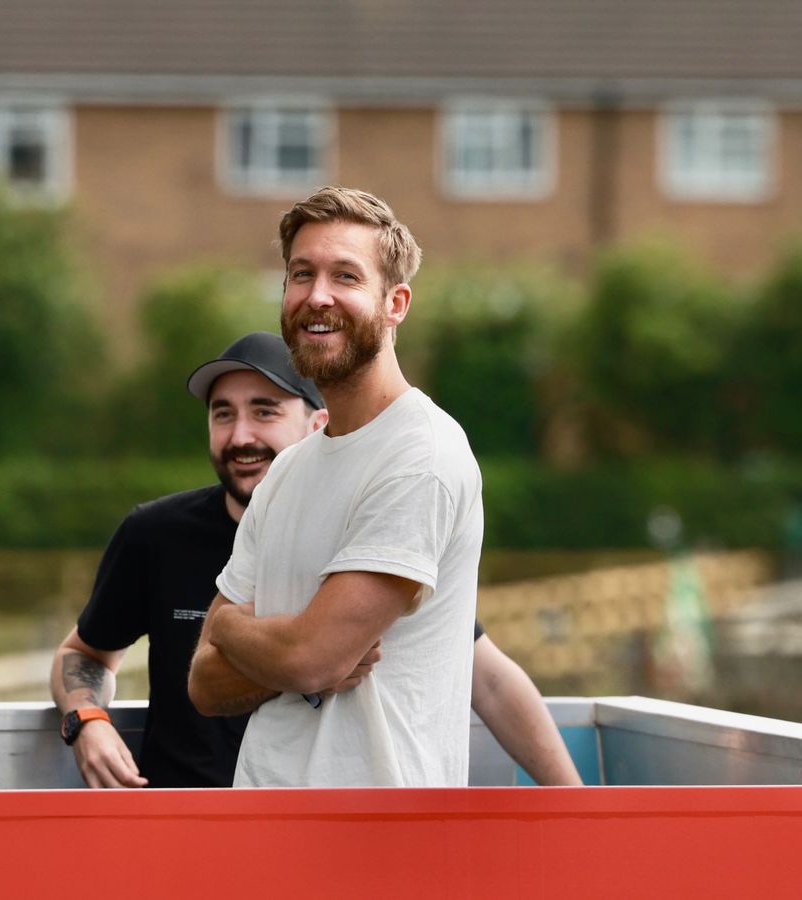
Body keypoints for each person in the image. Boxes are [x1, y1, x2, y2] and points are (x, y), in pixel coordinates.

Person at [53, 332, 581, 788]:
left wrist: (582, 811)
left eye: (265, 410)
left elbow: (487, 679)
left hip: (309, 825)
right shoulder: (154, 533)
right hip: (184, 827)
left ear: (317, 426)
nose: (241, 436)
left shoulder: (365, 528)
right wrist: (88, 719)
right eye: (223, 414)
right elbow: (88, 653)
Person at [188, 187, 483, 788]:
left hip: (376, 847)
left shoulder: (420, 455)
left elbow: (309, 656)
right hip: (265, 836)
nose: (316, 296)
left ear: (395, 303)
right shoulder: (289, 470)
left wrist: (233, 630)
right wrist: (287, 651)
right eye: (302, 274)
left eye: (345, 276)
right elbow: (204, 684)